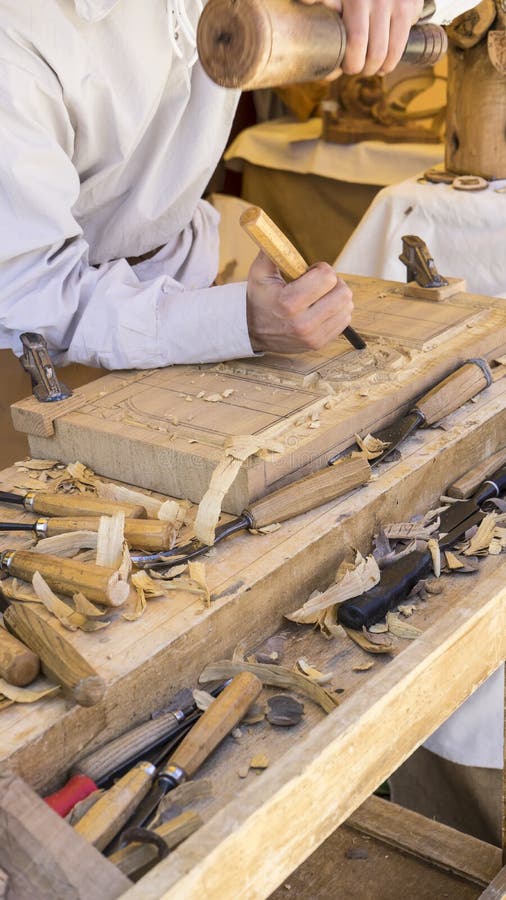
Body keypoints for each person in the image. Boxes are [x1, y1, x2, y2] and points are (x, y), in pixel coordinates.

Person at [0, 0, 426, 371]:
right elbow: (31, 300)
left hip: (185, 278)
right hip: (45, 353)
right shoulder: (17, 35)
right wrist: (239, 322)